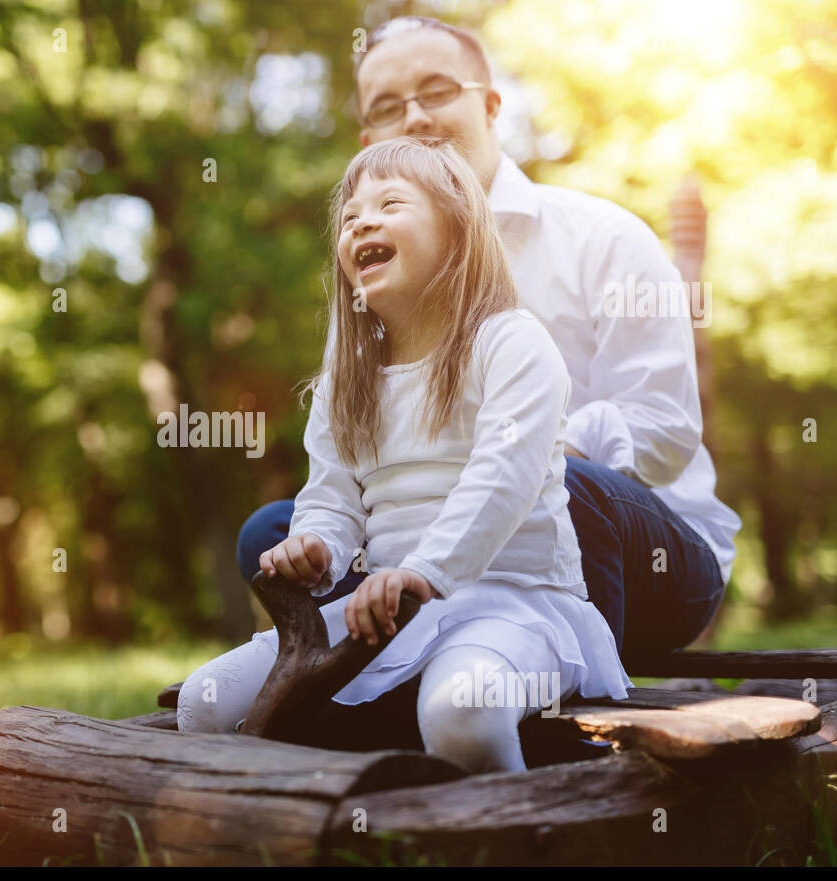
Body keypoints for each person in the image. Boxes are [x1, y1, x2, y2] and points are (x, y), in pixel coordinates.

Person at [237, 15, 740, 663]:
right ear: (369, 140)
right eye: (389, 108)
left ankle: (564, 692)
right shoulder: (372, 285)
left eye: (438, 90)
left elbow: (667, 431)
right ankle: (393, 670)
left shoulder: (602, 237)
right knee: (276, 538)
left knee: (557, 480)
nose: (415, 117)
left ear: (491, 104)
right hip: (436, 541)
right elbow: (350, 464)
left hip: (647, 560)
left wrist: (519, 451)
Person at [177, 139, 632, 774]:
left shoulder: (512, 342)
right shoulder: (347, 381)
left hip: (515, 604)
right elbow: (332, 498)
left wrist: (423, 572)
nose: (361, 221)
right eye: (349, 216)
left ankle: (510, 837)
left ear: (458, 229)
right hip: (393, 611)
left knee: (461, 715)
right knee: (202, 703)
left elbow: (502, 478)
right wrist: (316, 547)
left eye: (391, 203)